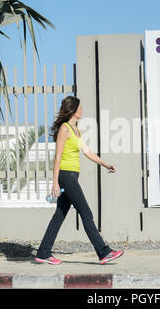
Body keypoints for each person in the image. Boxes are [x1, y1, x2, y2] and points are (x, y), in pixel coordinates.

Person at [35, 96, 123, 264]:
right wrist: (55, 182)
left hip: (72, 176)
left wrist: (106, 164)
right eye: (80, 108)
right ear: (73, 110)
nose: (82, 110)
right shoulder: (65, 129)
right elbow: (58, 157)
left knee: (59, 215)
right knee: (86, 213)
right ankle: (103, 252)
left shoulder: (76, 130)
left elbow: (87, 152)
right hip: (66, 176)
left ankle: (43, 252)